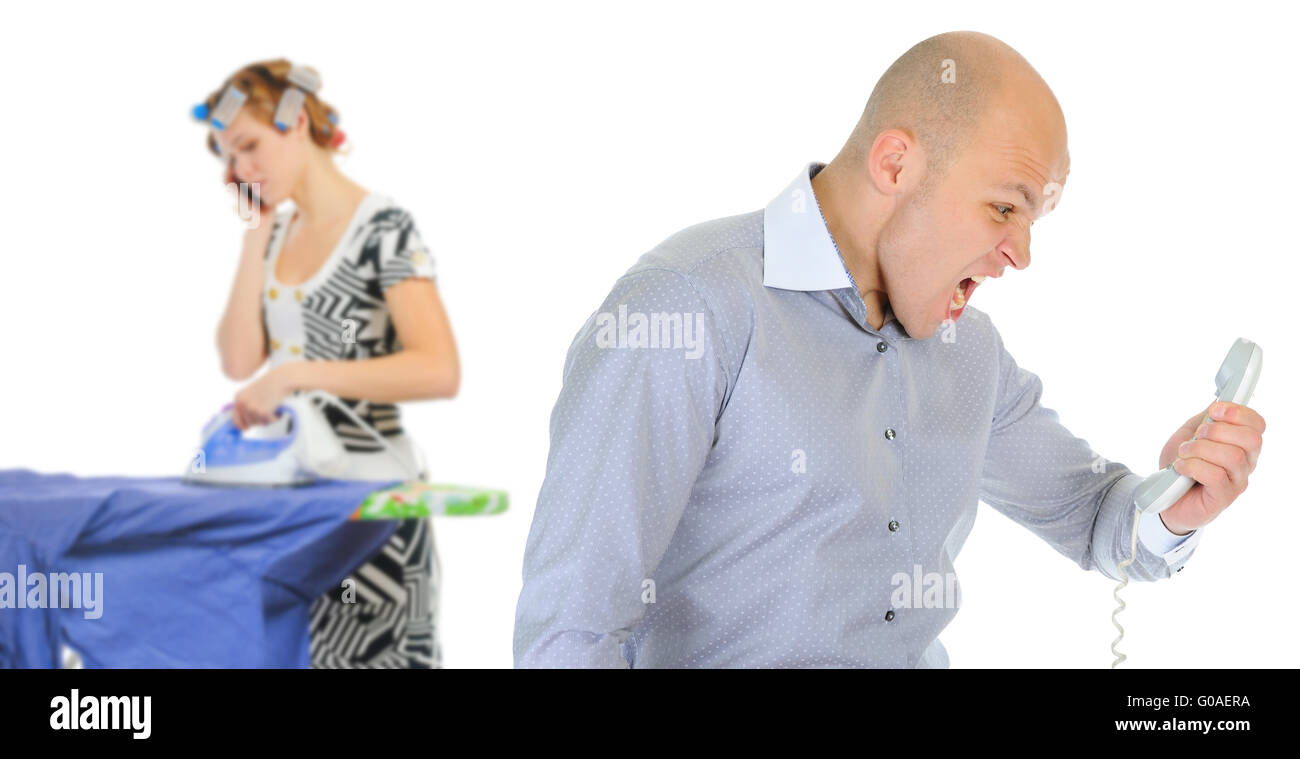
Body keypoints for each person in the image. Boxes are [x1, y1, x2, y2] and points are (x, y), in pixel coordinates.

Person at [513, 31, 1266, 667]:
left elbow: (1099, 519)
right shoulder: (688, 304)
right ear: (895, 163)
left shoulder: (970, 350)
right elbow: (570, 633)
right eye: (1004, 206)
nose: (1021, 254)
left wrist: (1178, 499)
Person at [198, 59, 460, 668]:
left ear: (296, 122)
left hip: (375, 521)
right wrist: (254, 237)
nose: (237, 170)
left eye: (246, 146)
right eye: (226, 158)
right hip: (297, 519)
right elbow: (239, 361)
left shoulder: (382, 229)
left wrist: (294, 374)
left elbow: (438, 368)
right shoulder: (277, 235)